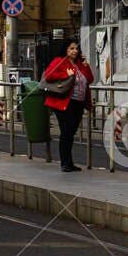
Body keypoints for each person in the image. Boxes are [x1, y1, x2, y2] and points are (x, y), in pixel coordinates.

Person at [43, 39, 94, 172]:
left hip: (78, 103)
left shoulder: (79, 63)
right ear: (66, 49)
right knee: (66, 132)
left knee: (71, 133)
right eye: (71, 48)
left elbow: (89, 79)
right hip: (64, 102)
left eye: (76, 49)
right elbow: (48, 75)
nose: (74, 51)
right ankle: (65, 163)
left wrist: (85, 65)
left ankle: (69, 163)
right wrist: (66, 73)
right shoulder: (60, 60)